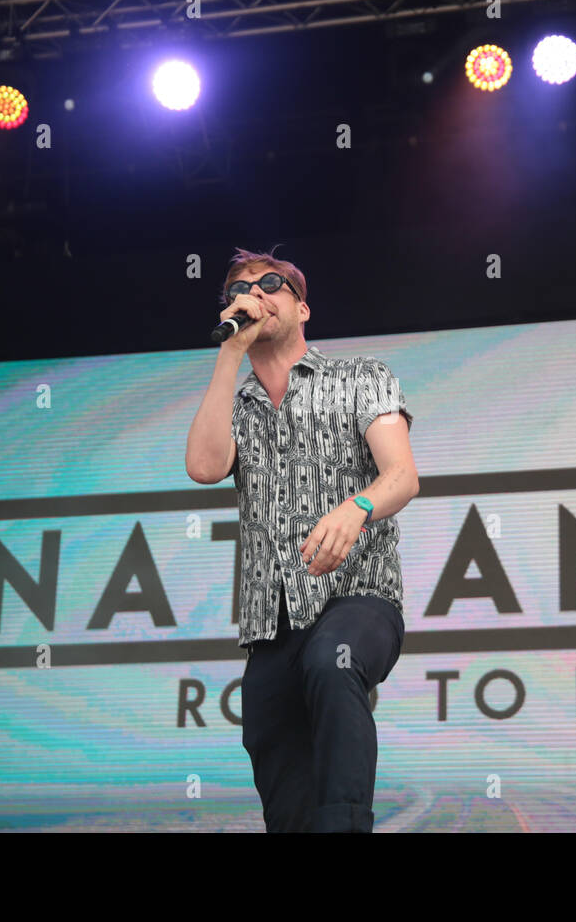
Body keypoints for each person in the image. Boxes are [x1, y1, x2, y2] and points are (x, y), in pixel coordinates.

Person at [185, 246, 419, 832]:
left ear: (302, 307)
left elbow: (402, 475)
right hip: (271, 625)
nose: (254, 293)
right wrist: (228, 354)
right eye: (240, 288)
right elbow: (205, 466)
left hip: (359, 599)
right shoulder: (236, 405)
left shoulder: (362, 377)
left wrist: (357, 507)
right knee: (276, 762)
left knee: (330, 661)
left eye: (270, 284)